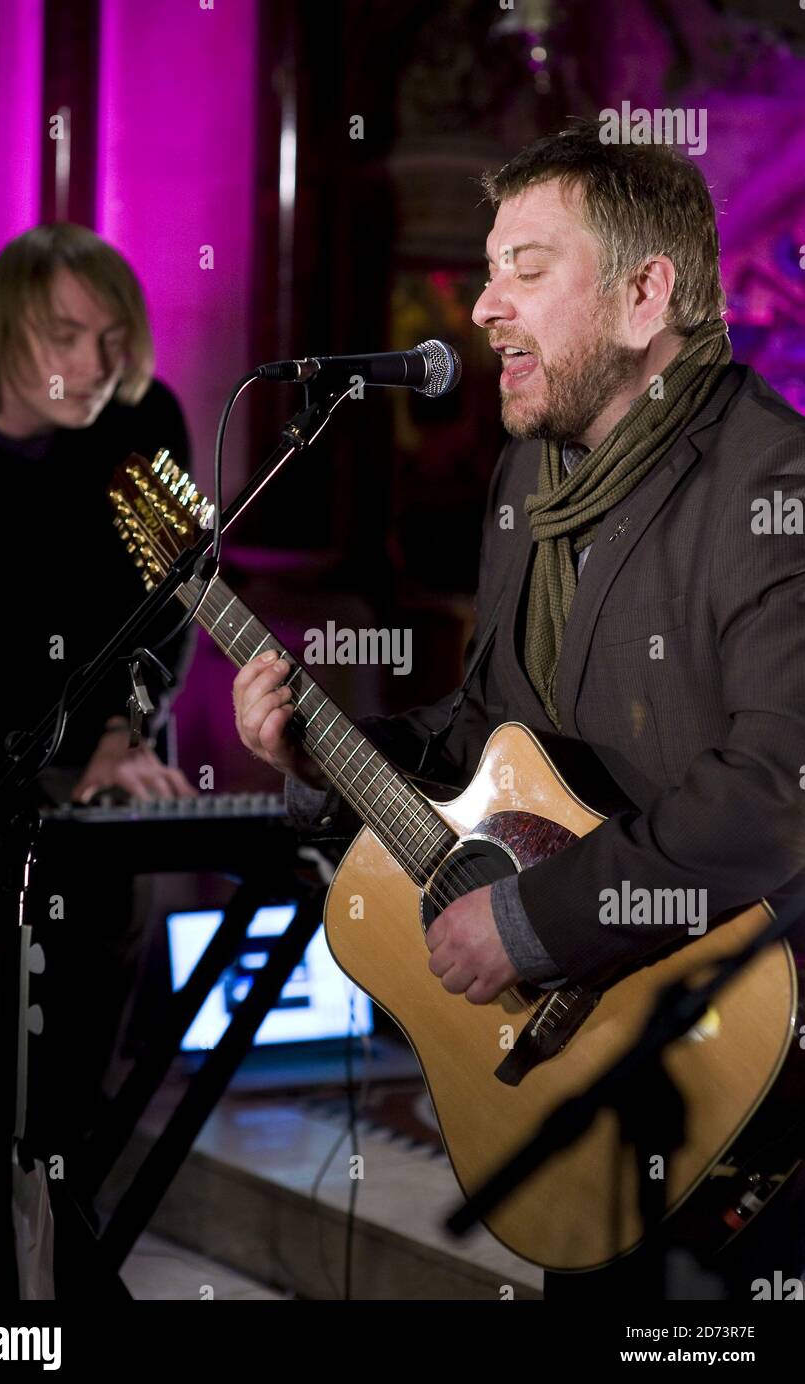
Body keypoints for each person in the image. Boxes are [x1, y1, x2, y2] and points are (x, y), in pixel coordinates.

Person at [230, 122, 805, 1300]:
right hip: (584, 1085)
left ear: (647, 295)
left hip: (746, 1075)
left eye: (526, 272)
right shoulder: (528, 478)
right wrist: (324, 747)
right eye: (489, 270)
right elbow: (493, 737)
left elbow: (769, 797)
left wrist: (534, 923)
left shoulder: (772, 481)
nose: (480, 307)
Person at [0, 222, 196, 1294]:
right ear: (5, 328)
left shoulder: (144, 423)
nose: (95, 363)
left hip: (93, 803)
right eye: (66, 334)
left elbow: (172, 608)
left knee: (79, 1110)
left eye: (114, 337)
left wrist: (126, 733)